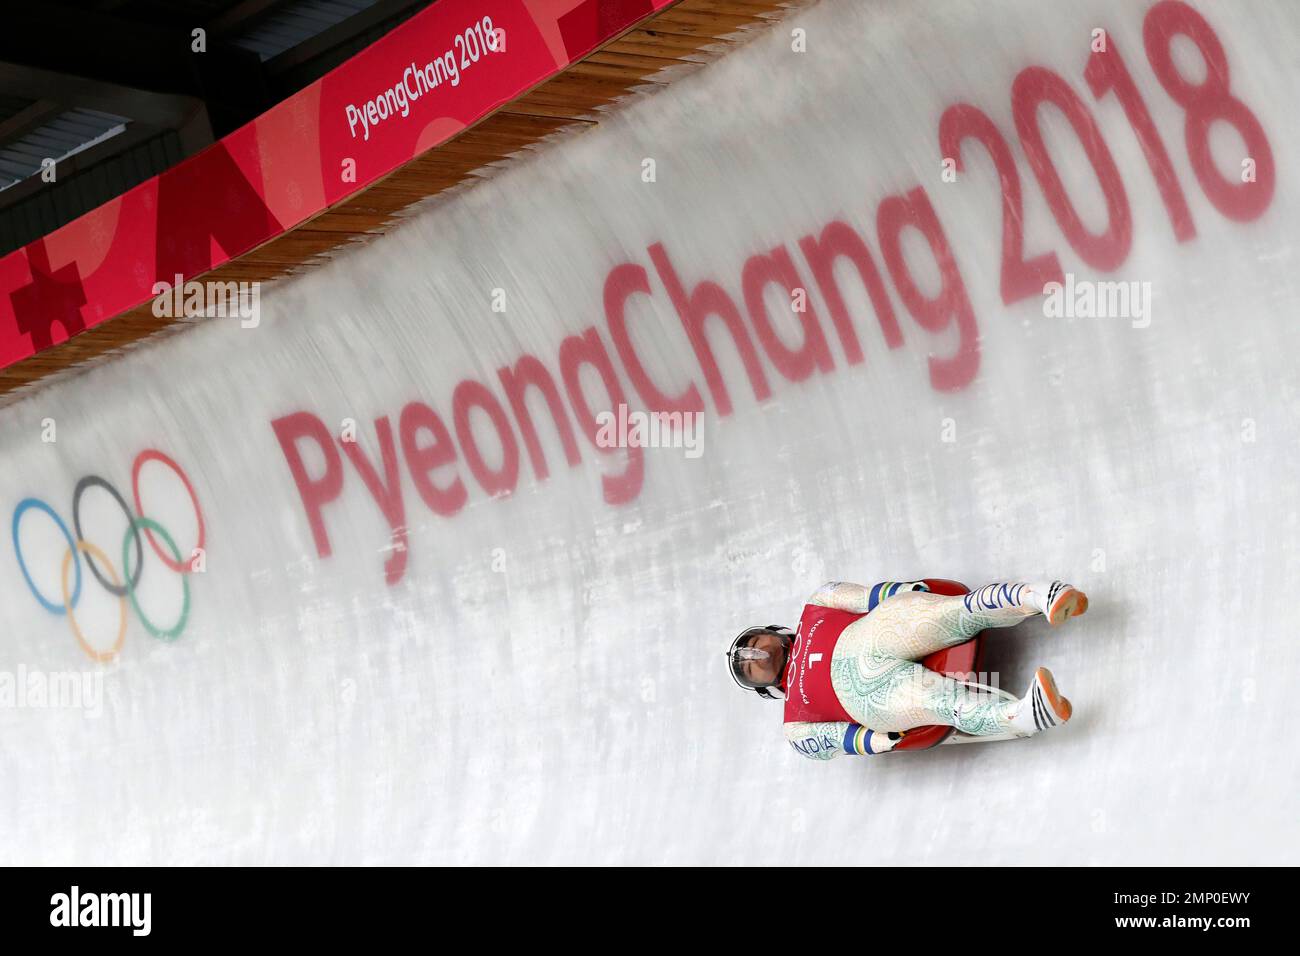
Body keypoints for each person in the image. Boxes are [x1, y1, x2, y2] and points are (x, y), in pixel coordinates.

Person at [726, 579, 1087, 760]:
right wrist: (879, 741)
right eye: (750, 668)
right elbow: (840, 741)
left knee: (957, 612)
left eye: (755, 645)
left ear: (773, 632)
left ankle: (1040, 597)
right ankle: (1023, 715)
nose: (755, 658)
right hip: (866, 695)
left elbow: (869, 596)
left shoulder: (817, 602)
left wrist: (904, 591)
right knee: (941, 703)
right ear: (764, 688)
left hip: (877, 633)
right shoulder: (795, 726)